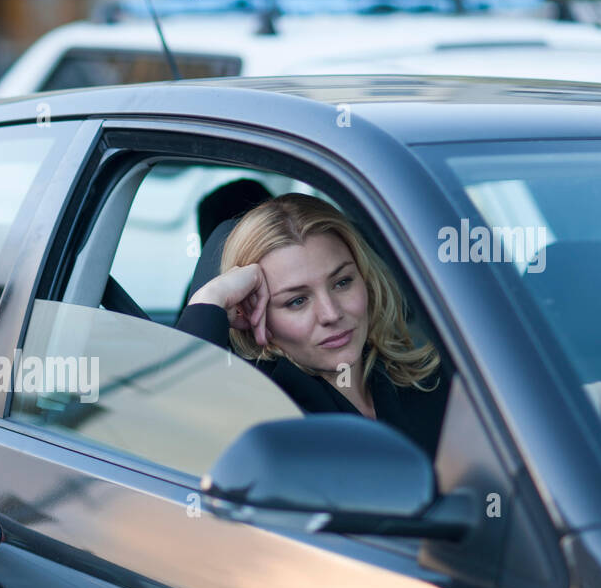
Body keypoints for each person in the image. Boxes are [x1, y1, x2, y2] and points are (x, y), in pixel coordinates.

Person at [175, 193, 450, 457]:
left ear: (366, 279)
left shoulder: (428, 381)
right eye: (297, 301)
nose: (330, 313)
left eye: (342, 282)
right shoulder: (260, 417)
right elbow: (175, 428)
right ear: (255, 313)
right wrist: (210, 299)